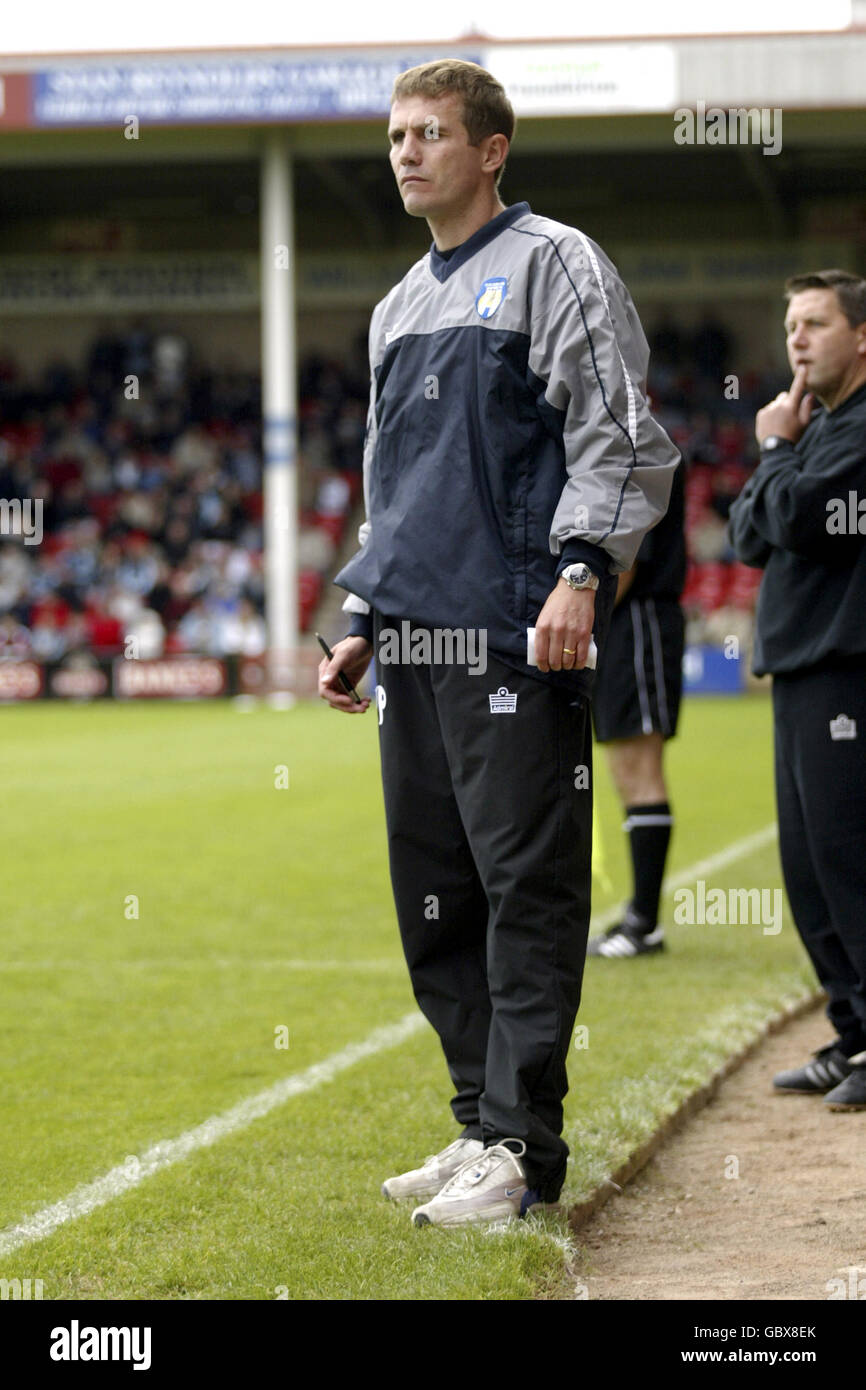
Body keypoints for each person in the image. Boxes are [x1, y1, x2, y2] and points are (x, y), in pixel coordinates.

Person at [319, 58, 679, 1225]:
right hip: (412, 645)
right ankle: (476, 1121)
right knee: (434, 895)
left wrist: (581, 572)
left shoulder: (553, 263)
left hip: (513, 632)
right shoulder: (392, 309)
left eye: (429, 132)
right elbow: (390, 482)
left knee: (521, 886)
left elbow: (622, 435)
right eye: (393, 135)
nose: (406, 151)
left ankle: (523, 1151)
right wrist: (362, 616)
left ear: (490, 149)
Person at [728, 269, 866, 1110]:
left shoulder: (856, 429)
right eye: (791, 326)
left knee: (850, 859)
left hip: (846, 667)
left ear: (862, 337)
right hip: (799, 667)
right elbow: (751, 530)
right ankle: (853, 1034)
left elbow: (803, 517)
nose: (798, 340)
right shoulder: (814, 426)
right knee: (810, 867)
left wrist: (776, 452)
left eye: (817, 323)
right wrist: (782, 456)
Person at [586, 459, 686, 957]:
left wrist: (586, 617)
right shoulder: (629, 445)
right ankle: (640, 919)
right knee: (628, 771)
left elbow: (626, 561)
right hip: (626, 625)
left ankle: (644, 923)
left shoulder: (642, 450)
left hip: (639, 622)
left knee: (639, 769)